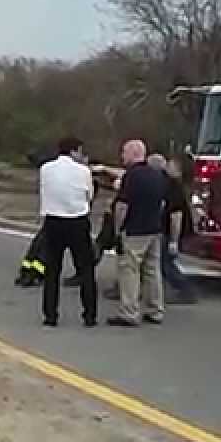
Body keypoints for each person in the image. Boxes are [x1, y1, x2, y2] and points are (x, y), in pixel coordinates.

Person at [37, 136, 97, 327]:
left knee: (52, 270)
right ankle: (89, 314)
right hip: (77, 221)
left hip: (53, 221)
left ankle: (50, 314)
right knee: (85, 269)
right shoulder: (83, 171)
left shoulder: (45, 169)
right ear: (74, 151)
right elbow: (90, 195)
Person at [110, 139, 167, 326]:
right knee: (152, 270)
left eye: (124, 152)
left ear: (133, 153)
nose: (122, 156)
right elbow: (163, 203)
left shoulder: (131, 176)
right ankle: (155, 309)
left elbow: (122, 205)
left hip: (135, 229)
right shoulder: (157, 174)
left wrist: (118, 229)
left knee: (130, 270)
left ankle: (129, 311)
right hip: (154, 228)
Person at [154, 154, 198, 304]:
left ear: (179, 171)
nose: (167, 165)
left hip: (171, 231)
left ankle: (186, 290)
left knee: (165, 263)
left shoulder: (174, 188)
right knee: (162, 262)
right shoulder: (171, 185)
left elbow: (176, 216)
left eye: (171, 164)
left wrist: (174, 239)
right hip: (167, 229)